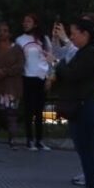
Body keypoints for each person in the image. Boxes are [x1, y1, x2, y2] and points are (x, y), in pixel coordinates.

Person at [51, 15, 94, 188]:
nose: (72, 37)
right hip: (81, 106)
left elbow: (71, 74)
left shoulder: (90, 53)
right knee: (84, 150)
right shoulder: (86, 52)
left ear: (85, 34)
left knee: (87, 150)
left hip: (85, 107)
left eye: (74, 33)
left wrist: (56, 63)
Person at [15, 13, 54, 150]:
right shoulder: (20, 40)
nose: (25, 23)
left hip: (41, 78)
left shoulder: (44, 39)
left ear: (35, 24)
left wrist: (50, 77)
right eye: (24, 21)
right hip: (27, 77)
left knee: (39, 111)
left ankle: (39, 140)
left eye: (29, 21)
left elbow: (50, 60)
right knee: (29, 110)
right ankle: (29, 140)